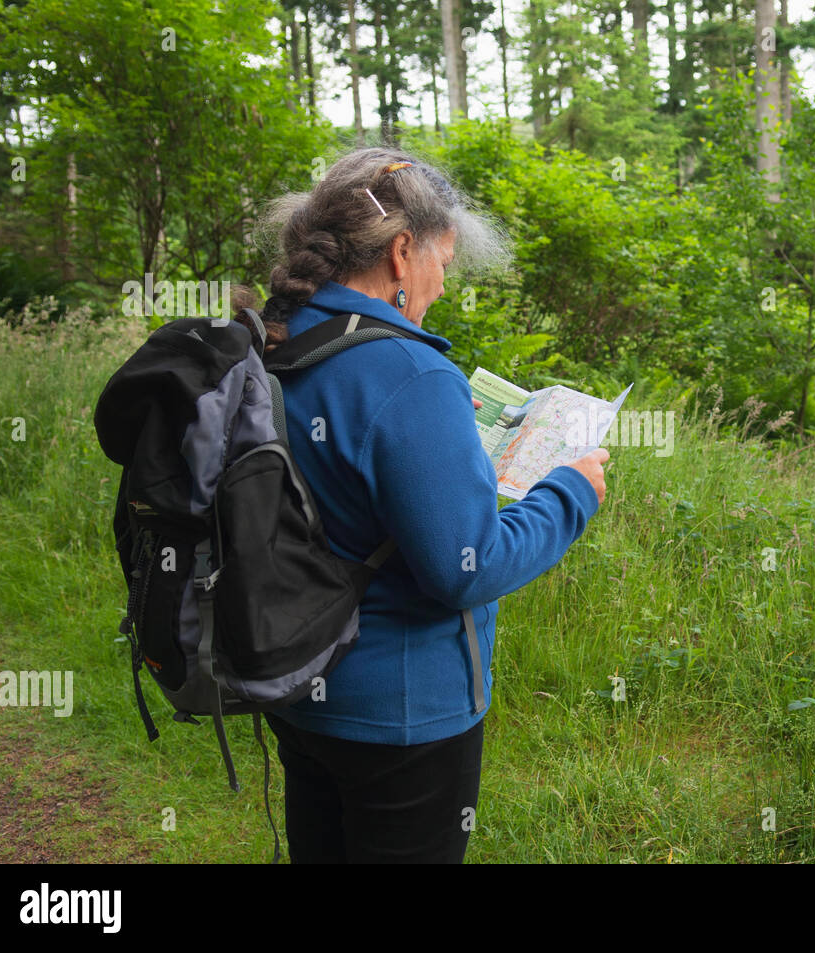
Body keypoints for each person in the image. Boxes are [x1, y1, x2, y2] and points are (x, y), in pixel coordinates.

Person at [240, 147, 609, 863]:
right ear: (403, 253)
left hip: (298, 685)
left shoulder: (278, 339)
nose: (442, 284)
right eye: (442, 259)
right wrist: (571, 492)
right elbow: (465, 569)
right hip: (403, 718)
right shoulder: (407, 372)